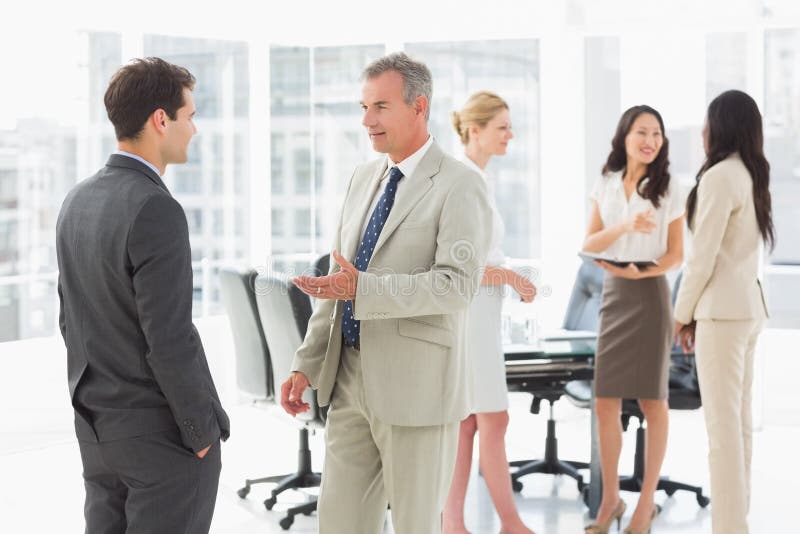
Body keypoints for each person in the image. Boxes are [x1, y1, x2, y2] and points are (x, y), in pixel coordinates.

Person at [279, 52, 492, 534]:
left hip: (419, 389)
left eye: (380, 107)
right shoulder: (362, 178)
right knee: (339, 524)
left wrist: (366, 288)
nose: (366, 120)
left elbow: (457, 286)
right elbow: (339, 283)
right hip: (349, 379)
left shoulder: (460, 185)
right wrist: (305, 363)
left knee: (416, 525)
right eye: (364, 107)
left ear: (419, 107)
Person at [56, 57, 229, 534]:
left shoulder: (76, 200)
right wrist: (200, 433)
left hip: (98, 432)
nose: (194, 129)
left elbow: (70, 321)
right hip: (160, 441)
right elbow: (168, 338)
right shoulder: (156, 207)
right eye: (189, 115)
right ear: (160, 120)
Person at [582, 105, 685, 534]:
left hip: (650, 293)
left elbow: (676, 255)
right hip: (614, 293)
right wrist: (625, 226)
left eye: (657, 133)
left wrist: (640, 272)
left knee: (652, 401)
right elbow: (590, 242)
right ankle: (611, 500)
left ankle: (645, 505)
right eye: (642, 132)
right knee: (605, 400)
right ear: (624, 136)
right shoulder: (606, 182)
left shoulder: (670, 187)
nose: (650, 140)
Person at [674, 90, 772, 534]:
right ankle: (736, 522)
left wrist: (681, 314)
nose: (702, 131)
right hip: (747, 310)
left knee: (723, 432)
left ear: (722, 126)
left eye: (708, 121)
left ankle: (729, 527)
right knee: (739, 426)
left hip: (722, 316)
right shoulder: (752, 174)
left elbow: (702, 258)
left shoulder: (718, 177)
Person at [442, 91, 537, 534]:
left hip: (478, 315)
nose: (510, 135)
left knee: (467, 423)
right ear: (474, 130)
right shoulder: (465, 181)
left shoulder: (476, 177)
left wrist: (508, 275)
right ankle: (510, 523)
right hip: (472, 314)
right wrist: (512, 278)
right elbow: (461, 267)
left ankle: (453, 524)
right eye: (502, 127)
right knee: (493, 418)